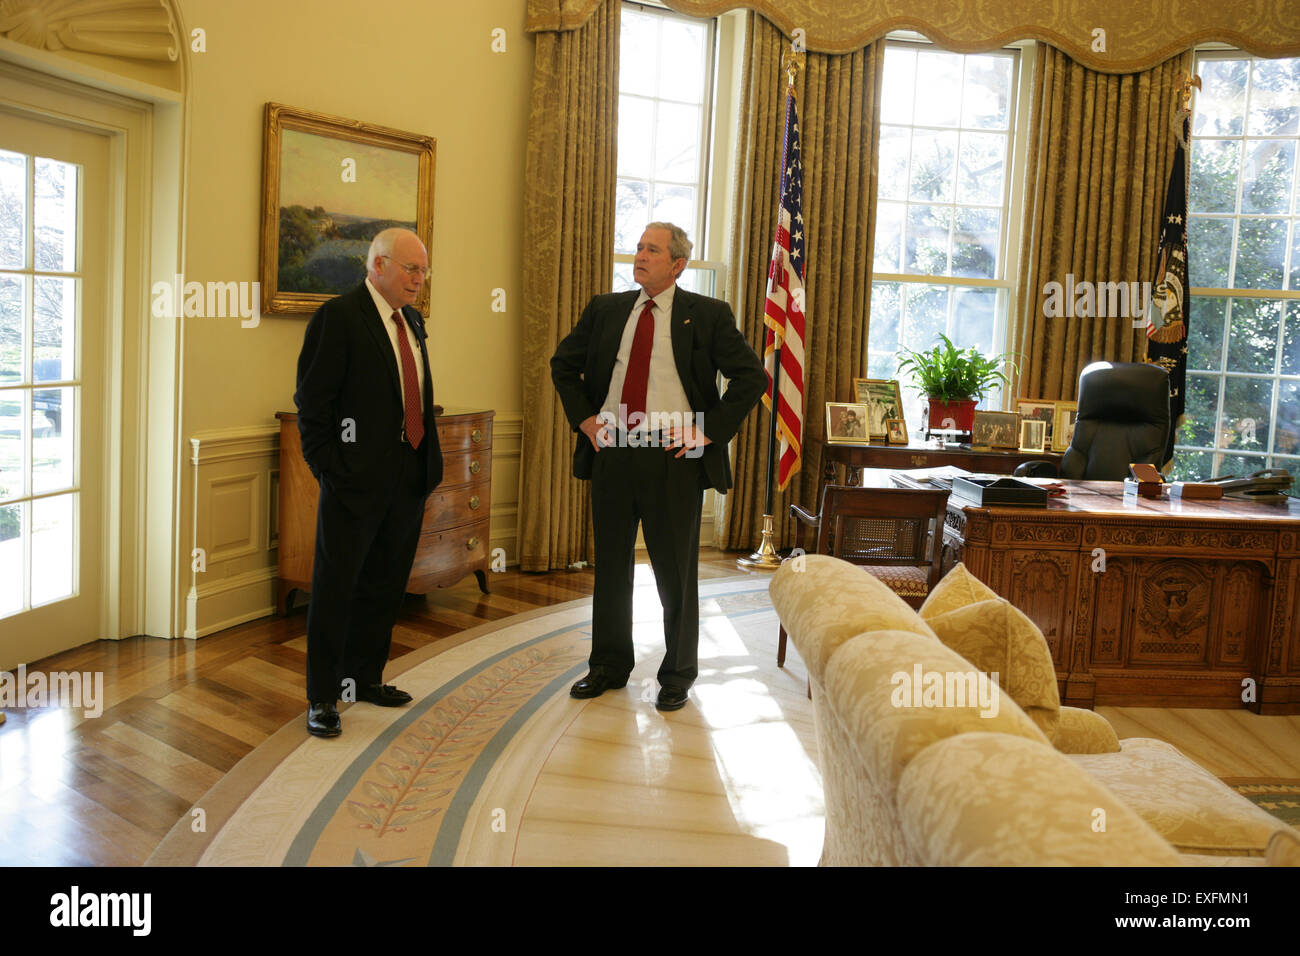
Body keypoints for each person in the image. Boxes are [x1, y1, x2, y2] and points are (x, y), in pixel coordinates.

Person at [551, 222, 765, 711]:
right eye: (639, 247)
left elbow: (752, 377)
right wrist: (585, 419)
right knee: (611, 567)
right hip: (613, 450)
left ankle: (677, 674)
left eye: (653, 249)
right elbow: (563, 365)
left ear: (678, 264)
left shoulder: (707, 315)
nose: (641, 255)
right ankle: (607, 666)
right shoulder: (605, 310)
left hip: (675, 456)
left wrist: (708, 430)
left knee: (674, 572)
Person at [294, 227, 443, 737]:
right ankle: (323, 697)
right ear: (378, 265)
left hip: (409, 473)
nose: (419, 279)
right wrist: (330, 469)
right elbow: (312, 404)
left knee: (385, 584)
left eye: (423, 270)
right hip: (354, 481)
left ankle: (365, 678)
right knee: (336, 589)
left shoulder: (412, 320)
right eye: (411, 269)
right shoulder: (338, 318)